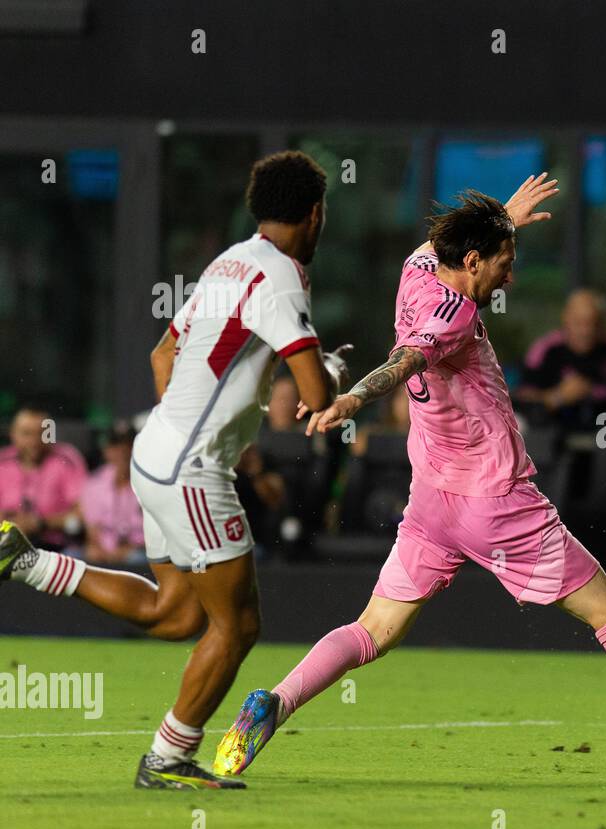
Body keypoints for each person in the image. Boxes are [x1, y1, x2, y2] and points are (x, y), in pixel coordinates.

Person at [214, 178, 606, 779]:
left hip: (431, 499)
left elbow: (445, 250)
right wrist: (352, 398)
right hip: (496, 502)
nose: (509, 280)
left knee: (374, 630)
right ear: (473, 261)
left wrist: (502, 218)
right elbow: (405, 362)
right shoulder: (452, 314)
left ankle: (272, 703)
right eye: (504, 266)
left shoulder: (417, 267)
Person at [0, 150, 350, 790]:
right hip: (188, 469)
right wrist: (330, 370)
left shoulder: (229, 262)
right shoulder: (281, 276)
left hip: (155, 453)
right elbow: (318, 398)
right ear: (315, 214)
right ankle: (166, 758)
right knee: (238, 625)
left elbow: (163, 353)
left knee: (180, 615)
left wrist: (190, 432)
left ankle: (30, 563)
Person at [514, 288, 606, 429]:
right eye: (579, 323)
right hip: (551, 434)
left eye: (592, 323)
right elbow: (523, 400)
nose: (586, 331)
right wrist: (559, 396)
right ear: (566, 319)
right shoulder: (546, 350)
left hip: (605, 435)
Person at [0, 403, 88, 551]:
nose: (34, 441)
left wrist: (42, 523)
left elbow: (83, 515)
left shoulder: (66, 460)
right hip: (7, 546)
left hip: (57, 548)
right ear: (13, 434)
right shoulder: (2, 462)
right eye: (27, 433)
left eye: (41, 433)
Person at [78, 422, 147, 566]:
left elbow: (157, 535)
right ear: (106, 450)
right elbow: (92, 531)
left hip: (138, 552)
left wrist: (126, 551)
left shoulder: (150, 482)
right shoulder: (95, 483)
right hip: (103, 552)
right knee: (73, 556)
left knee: (137, 558)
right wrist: (99, 550)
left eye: (128, 445)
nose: (122, 451)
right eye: (115, 446)